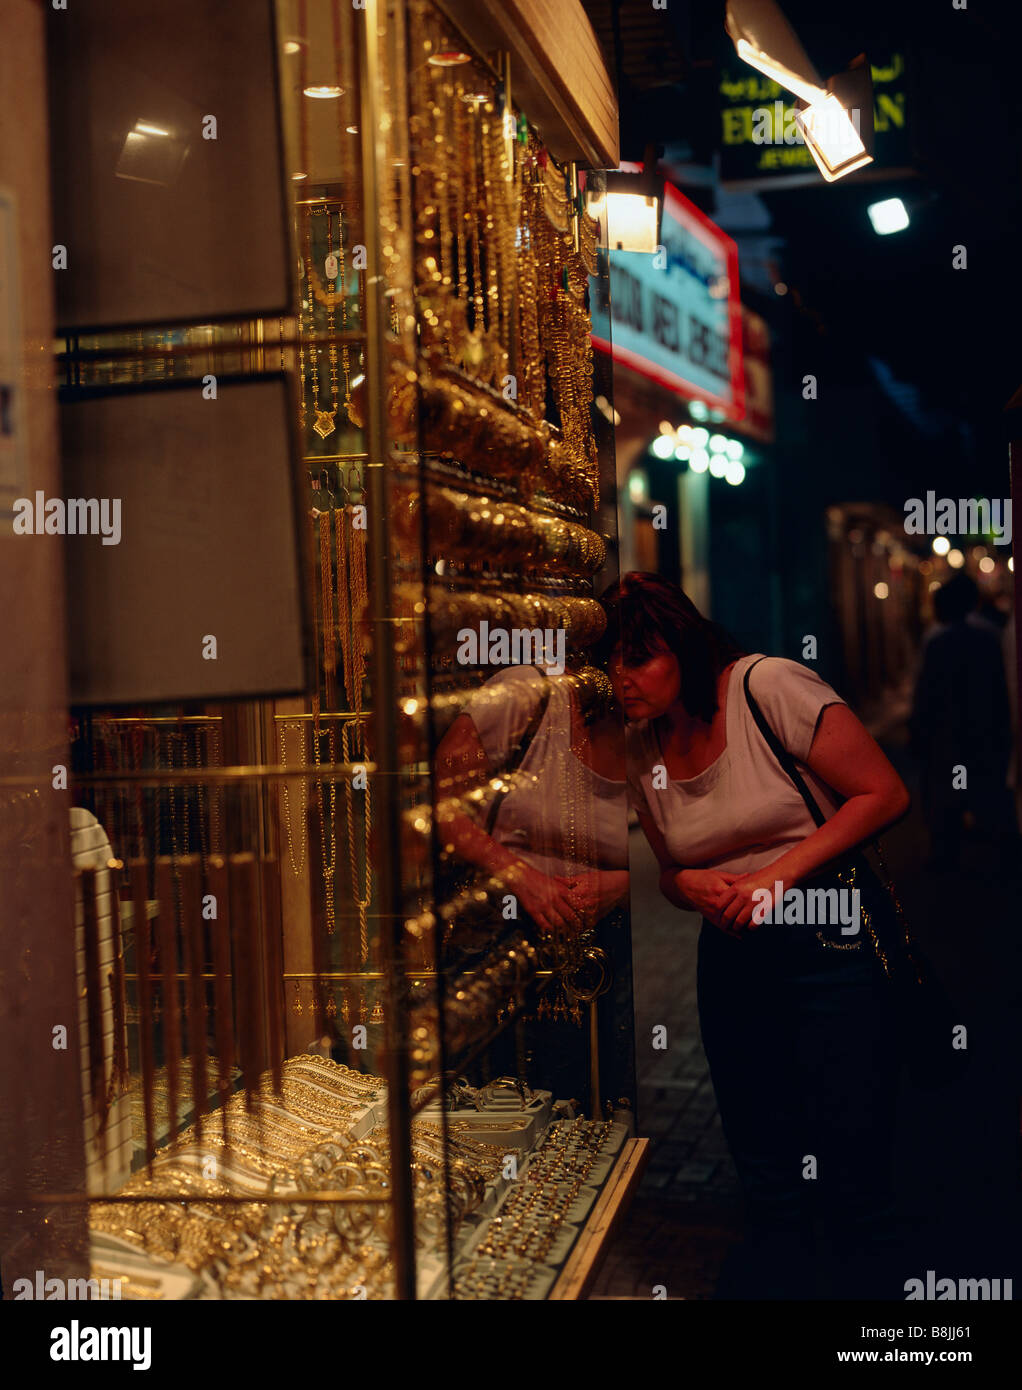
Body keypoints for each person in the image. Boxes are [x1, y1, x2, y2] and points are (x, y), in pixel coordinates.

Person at [599, 573, 911, 1299]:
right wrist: (690, 886)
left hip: (827, 942)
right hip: (735, 957)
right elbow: (674, 870)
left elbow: (885, 793)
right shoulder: (641, 746)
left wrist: (781, 873)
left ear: (682, 647)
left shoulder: (766, 687)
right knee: (763, 1156)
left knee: (851, 1150)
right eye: (610, 664)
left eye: (637, 658)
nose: (623, 679)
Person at [910, 572, 1015, 873]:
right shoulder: (990, 636)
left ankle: (947, 856)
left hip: (946, 736)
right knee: (985, 795)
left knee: (945, 800)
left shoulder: (938, 642)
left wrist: (919, 732)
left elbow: (926, 694)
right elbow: (1001, 689)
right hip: (983, 732)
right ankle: (996, 860)